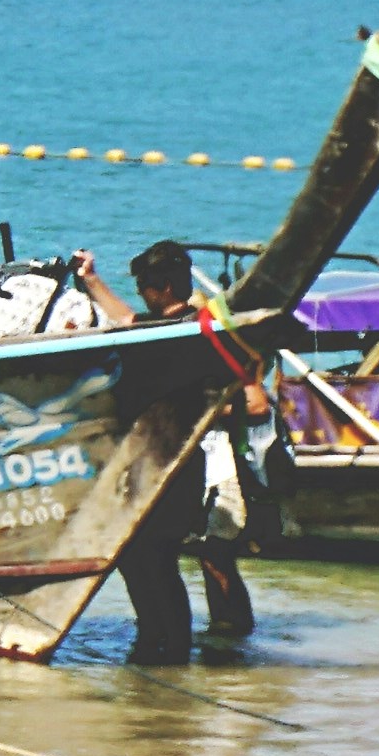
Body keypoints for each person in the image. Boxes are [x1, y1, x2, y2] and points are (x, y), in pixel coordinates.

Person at [109, 238, 260, 660]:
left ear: (163, 288)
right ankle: (157, 637)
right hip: (169, 459)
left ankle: (167, 643)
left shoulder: (186, 332)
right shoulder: (194, 329)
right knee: (146, 554)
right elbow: (126, 318)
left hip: (174, 461)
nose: (139, 293)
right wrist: (92, 282)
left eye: (143, 286)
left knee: (151, 554)